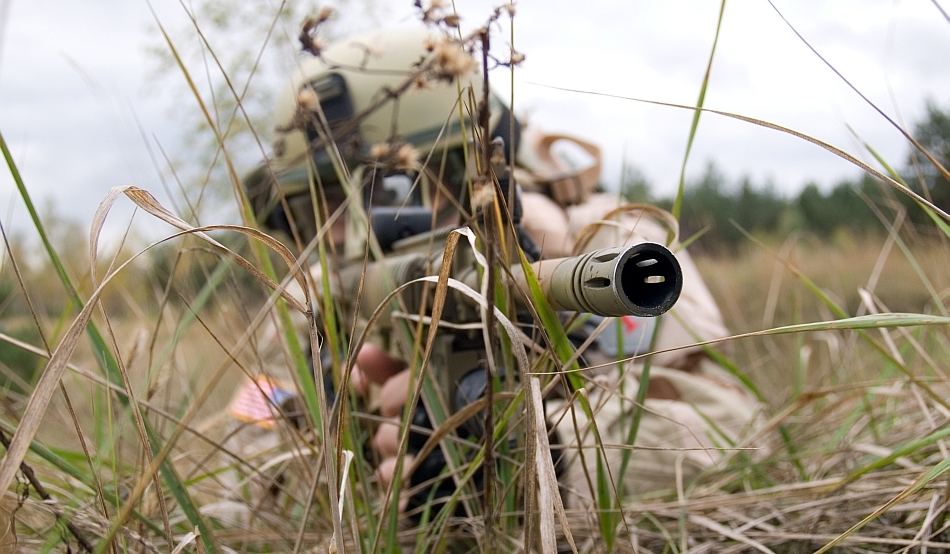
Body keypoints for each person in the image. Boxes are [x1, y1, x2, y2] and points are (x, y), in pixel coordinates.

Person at [235, 25, 763, 518]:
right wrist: (333, 437)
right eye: (319, 209)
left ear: (489, 171)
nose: (354, 234)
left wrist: (538, 462)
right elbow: (238, 466)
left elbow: (736, 432)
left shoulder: (606, 246)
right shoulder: (310, 299)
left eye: (396, 192)